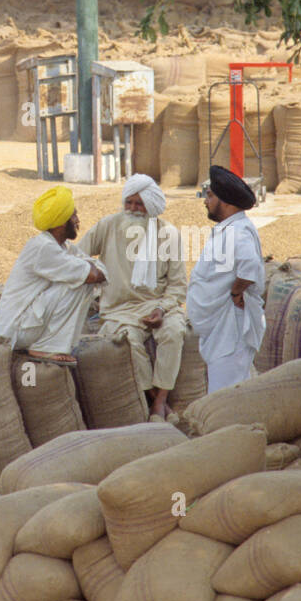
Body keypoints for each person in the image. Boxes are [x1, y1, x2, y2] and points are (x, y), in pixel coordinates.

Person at [79, 173, 188, 418]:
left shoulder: (168, 234)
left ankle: (161, 401)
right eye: (128, 202)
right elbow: (77, 255)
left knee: (174, 332)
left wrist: (162, 308)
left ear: (151, 207)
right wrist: (94, 275)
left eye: (139, 204)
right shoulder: (108, 226)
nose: (133, 209)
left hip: (158, 305)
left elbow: (178, 285)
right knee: (127, 341)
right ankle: (155, 400)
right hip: (120, 309)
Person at [0, 186, 107, 364]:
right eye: (73, 215)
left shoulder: (63, 247)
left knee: (79, 278)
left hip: (29, 324)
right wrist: (89, 269)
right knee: (78, 283)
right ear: (61, 223)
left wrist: (91, 269)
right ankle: (46, 347)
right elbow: (92, 274)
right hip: (14, 332)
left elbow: (102, 271)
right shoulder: (43, 248)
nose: (77, 220)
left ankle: (49, 343)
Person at [186, 166, 265, 392]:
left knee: (226, 395)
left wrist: (235, 292)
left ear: (227, 202)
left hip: (230, 328)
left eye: (210, 196)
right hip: (220, 329)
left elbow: (249, 267)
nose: (205, 201)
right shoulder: (230, 229)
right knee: (230, 391)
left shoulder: (238, 231)